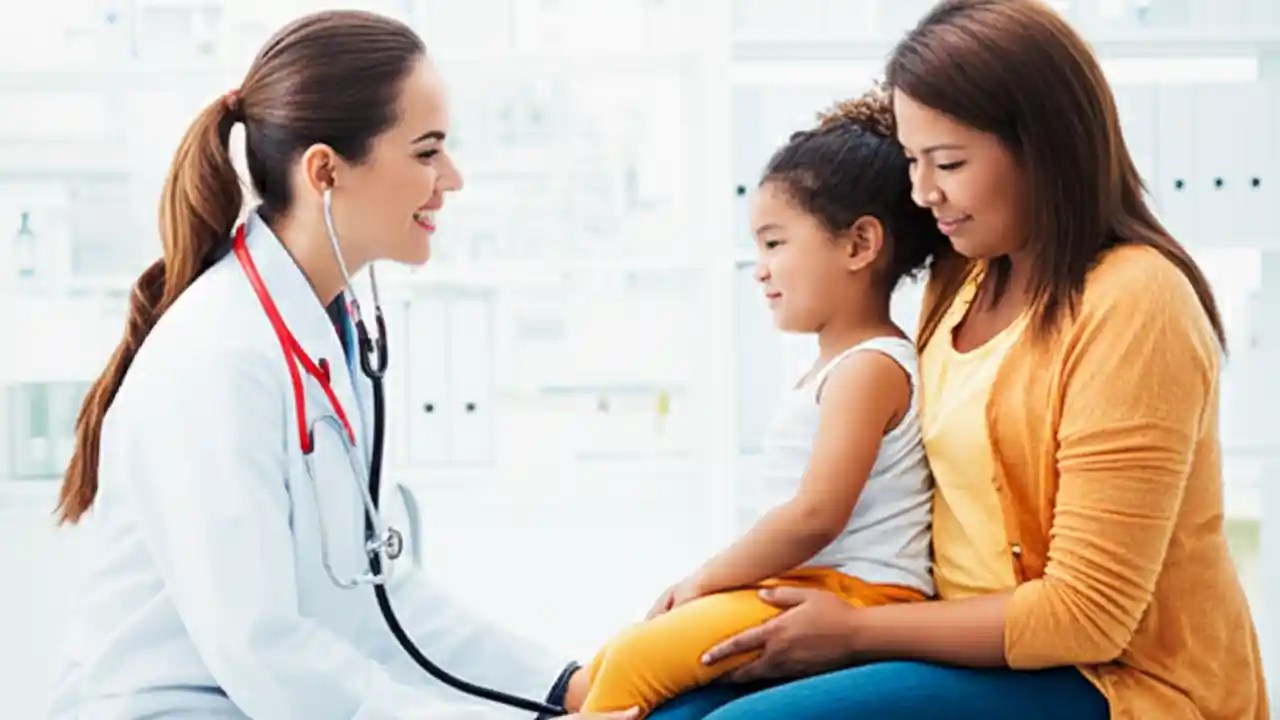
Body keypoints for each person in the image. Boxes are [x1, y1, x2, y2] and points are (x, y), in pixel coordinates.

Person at [648, 1, 1270, 718]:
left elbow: (1087, 616)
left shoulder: (1136, 303)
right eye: (914, 160)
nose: (923, 192)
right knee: (674, 709)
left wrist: (855, 633)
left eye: (948, 163)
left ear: (1045, 146)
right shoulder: (965, 274)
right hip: (955, 642)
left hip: (1111, 677)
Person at [46, 10, 630, 720]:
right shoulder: (219, 360)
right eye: (426, 152)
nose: (452, 179)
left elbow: (379, 596)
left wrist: (563, 686)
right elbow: (265, 651)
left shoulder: (321, 333)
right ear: (324, 170)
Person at [578, 87, 945, 718]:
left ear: (859, 245)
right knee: (607, 664)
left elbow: (813, 518)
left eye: (775, 243)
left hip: (860, 596)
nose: (761, 269)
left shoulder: (871, 369)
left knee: (635, 662)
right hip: (818, 585)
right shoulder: (839, 367)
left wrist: (704, 580)